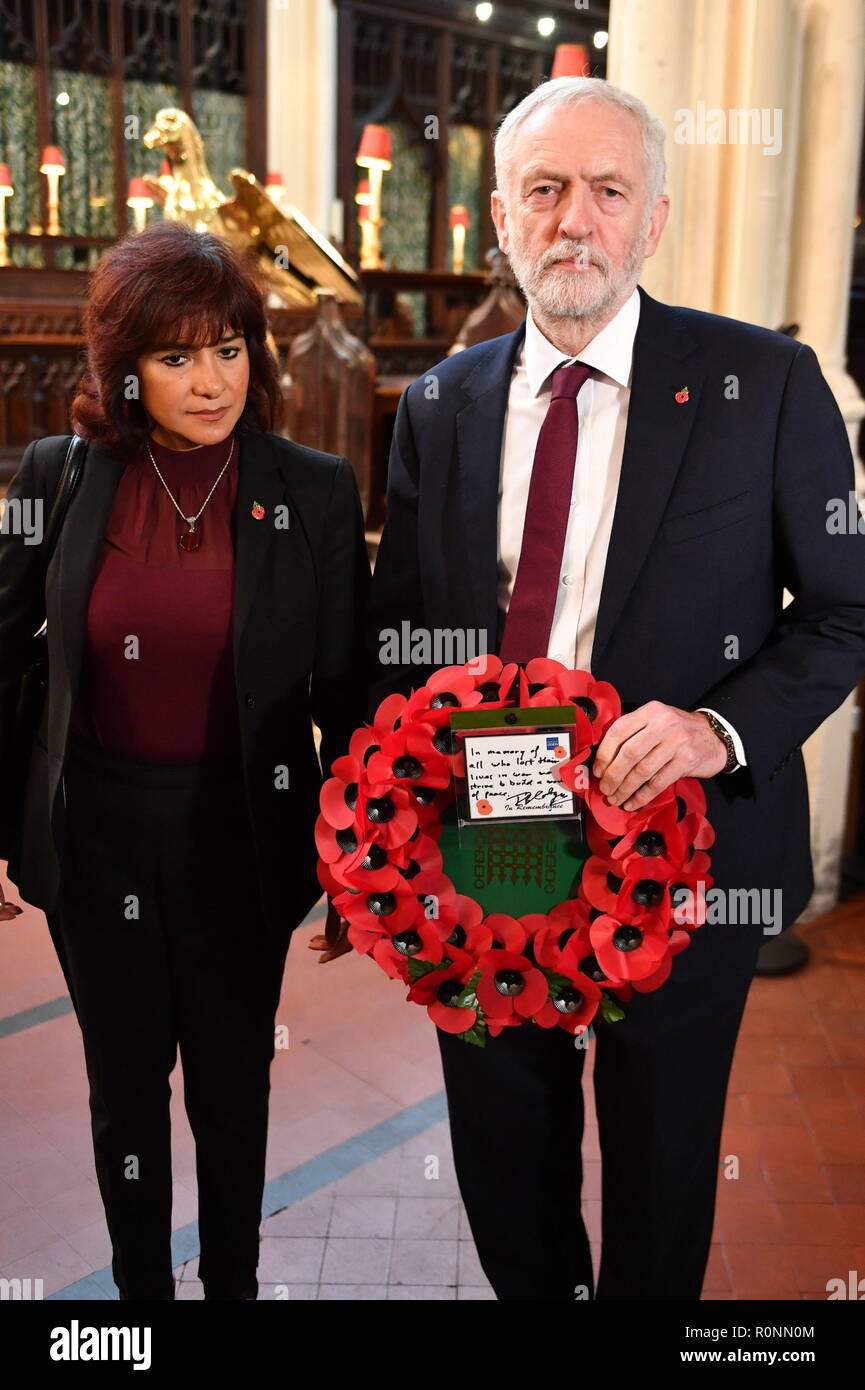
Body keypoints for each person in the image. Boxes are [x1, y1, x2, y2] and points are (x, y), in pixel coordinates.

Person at [366, 76, 865, 1300]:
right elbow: (399, 637)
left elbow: (847, 608)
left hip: (692, 860)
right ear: (501, 216)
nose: (571, 221)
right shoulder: (437, 404)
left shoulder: (769, 384)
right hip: (487, 852)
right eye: (543, 191)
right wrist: (380, 831)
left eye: (605, 192)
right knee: (502, 1154)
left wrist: (714, 728)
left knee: (657, 1164)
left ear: (651, 223)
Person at [0, 220, 370, 1300]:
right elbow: (5, 660)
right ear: (124, 372)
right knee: (122, 1089)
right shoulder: (58, 474)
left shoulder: (312, 488)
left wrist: (359, 864)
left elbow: (346, 695)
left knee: (230, 1084)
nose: (211, 381)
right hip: (97, 835)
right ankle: (140, 1301)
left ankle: (234, 1288)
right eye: (175, 356)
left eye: (228, 348)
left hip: (242, 836)